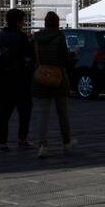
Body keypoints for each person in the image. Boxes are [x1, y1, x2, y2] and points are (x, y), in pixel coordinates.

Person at [0, 8, 35, 152]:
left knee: (3, 114)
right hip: (20, 80)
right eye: (23, 20)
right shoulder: (21, 37)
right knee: (25, 111)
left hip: (2, 80)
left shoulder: (0, 36)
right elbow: (29, 57)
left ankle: (2, 143)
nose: (24, 23)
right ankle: (22, 139)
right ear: (17, 22)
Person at [32, 11, 74, 157]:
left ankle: (43, 145)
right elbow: (64, 59)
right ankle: (66, 142)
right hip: (58, 78)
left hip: (42, 78)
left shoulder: (36, 38)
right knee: (62, 112)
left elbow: (32, 57)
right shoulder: (59, 37)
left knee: (43, 114)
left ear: (45, 23)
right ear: (57, 23)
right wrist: (72, 58)